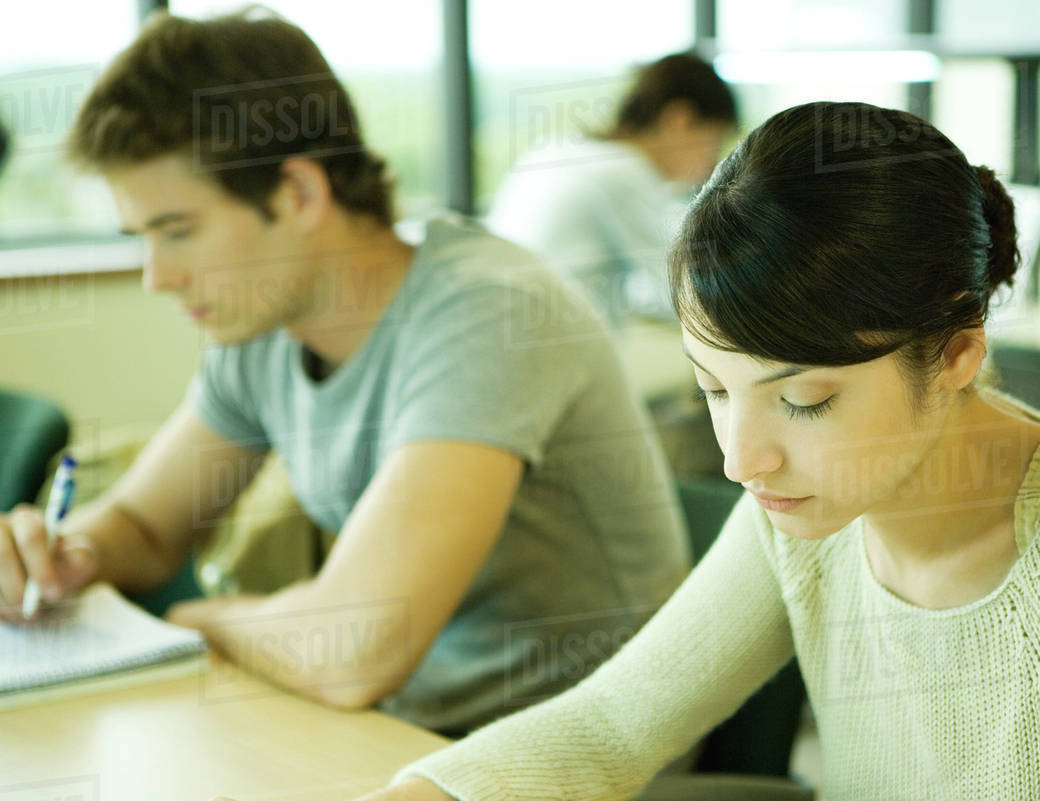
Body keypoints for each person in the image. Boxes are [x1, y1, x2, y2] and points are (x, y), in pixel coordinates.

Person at [324, 102, 1040, 800]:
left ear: (959, 355)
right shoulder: (805, 514)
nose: (744, 459)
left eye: (804, 400)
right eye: (713, 389)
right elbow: (614, 726)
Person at [0, 9, 691, 738]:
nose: (156, 277)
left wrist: (201, 618)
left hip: (574, 757)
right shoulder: (261, 329)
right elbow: (146, 526)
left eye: (177, 231)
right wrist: (60, 555)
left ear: (299, 192)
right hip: (402, 737)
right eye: (141, 239)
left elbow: (356, 646)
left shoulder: (487, 314)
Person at [486, 52, 738, 327]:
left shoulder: (556, 149)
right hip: (548, 343)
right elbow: (678, 294)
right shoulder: (622, 171)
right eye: (713, 142)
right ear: (680, 120)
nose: (710, 166)